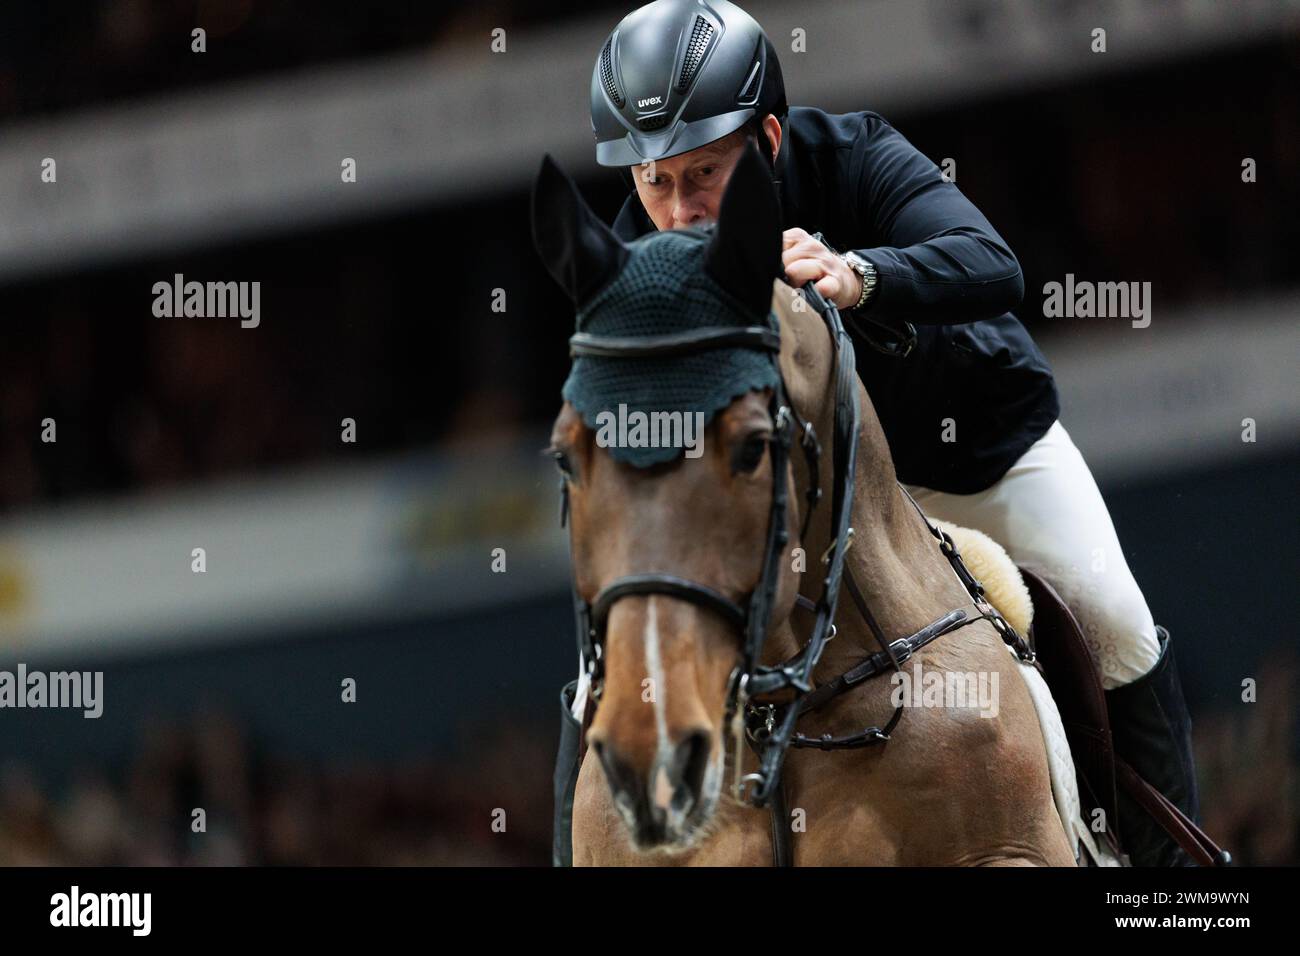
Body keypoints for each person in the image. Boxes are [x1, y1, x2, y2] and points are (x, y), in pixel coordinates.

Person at [554, 0, 1199, 867]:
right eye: (654, 181)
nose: (679, 214)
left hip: (975, 454)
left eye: (705, 174)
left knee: (1113, 616)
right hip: (824, 500)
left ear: (770, 141)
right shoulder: (645, 254)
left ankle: (1173, 896)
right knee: (599, 679)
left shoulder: (850, 155)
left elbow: (992, 263)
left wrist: (860, 275)